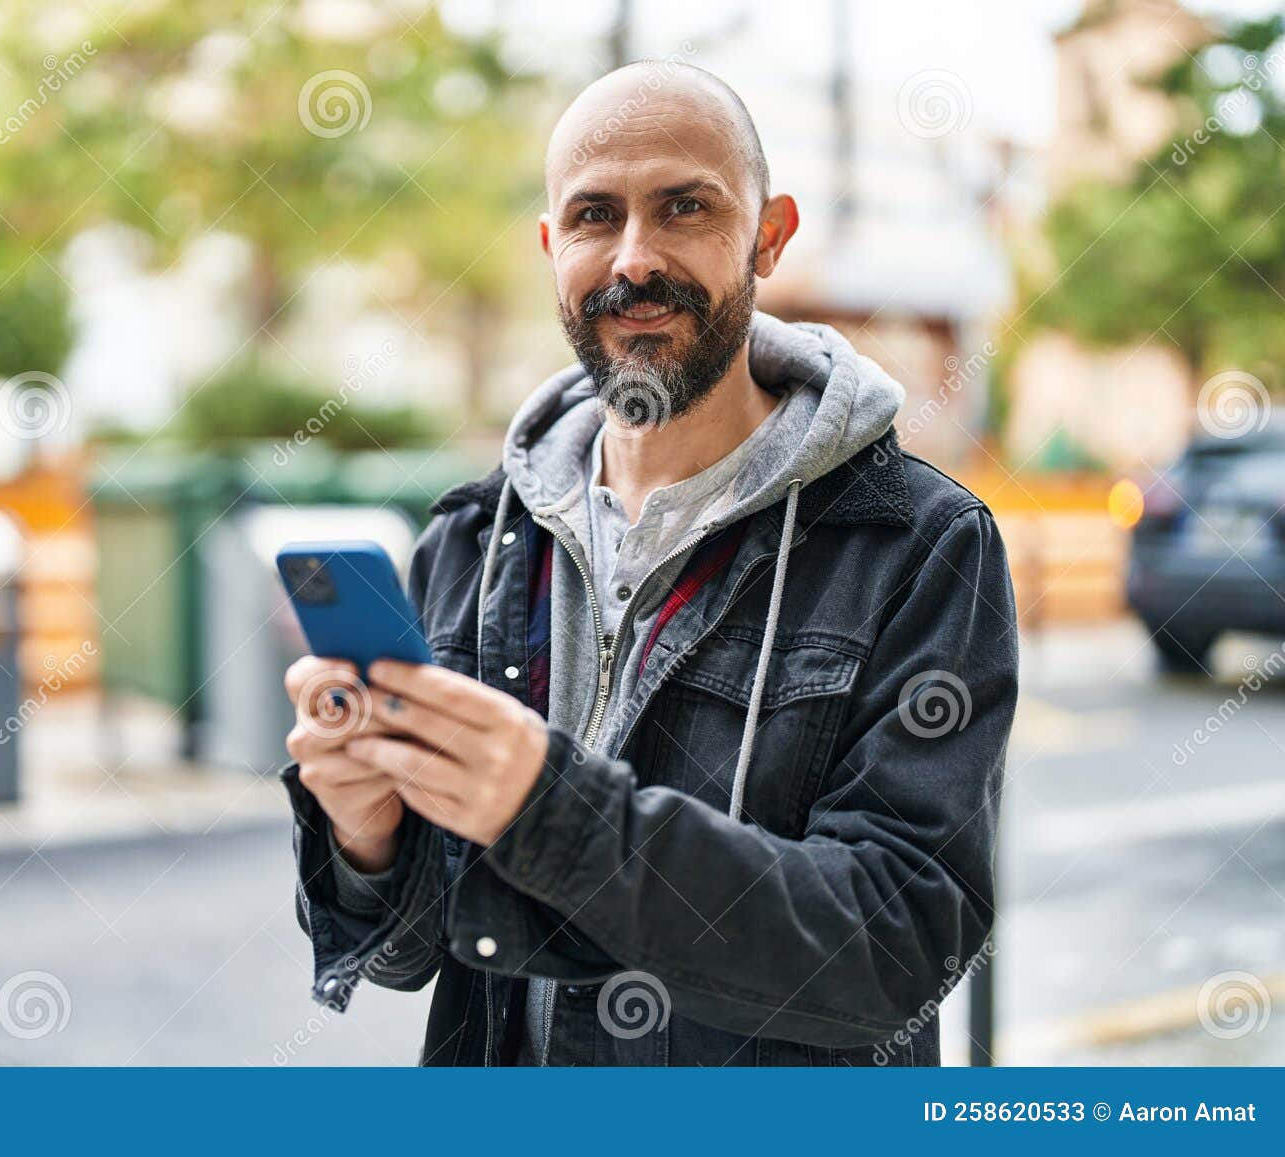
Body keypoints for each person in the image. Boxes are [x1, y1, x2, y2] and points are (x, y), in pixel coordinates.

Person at [281, 61, 1019, 1066]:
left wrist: (549, 808)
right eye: (593, 215)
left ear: (767, 233)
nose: (634, 259)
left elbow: (896, 948)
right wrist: (364, 834)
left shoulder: (917, 543)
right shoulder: (468, 540)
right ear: (551, 248)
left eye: (683, 207)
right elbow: (414, 955)